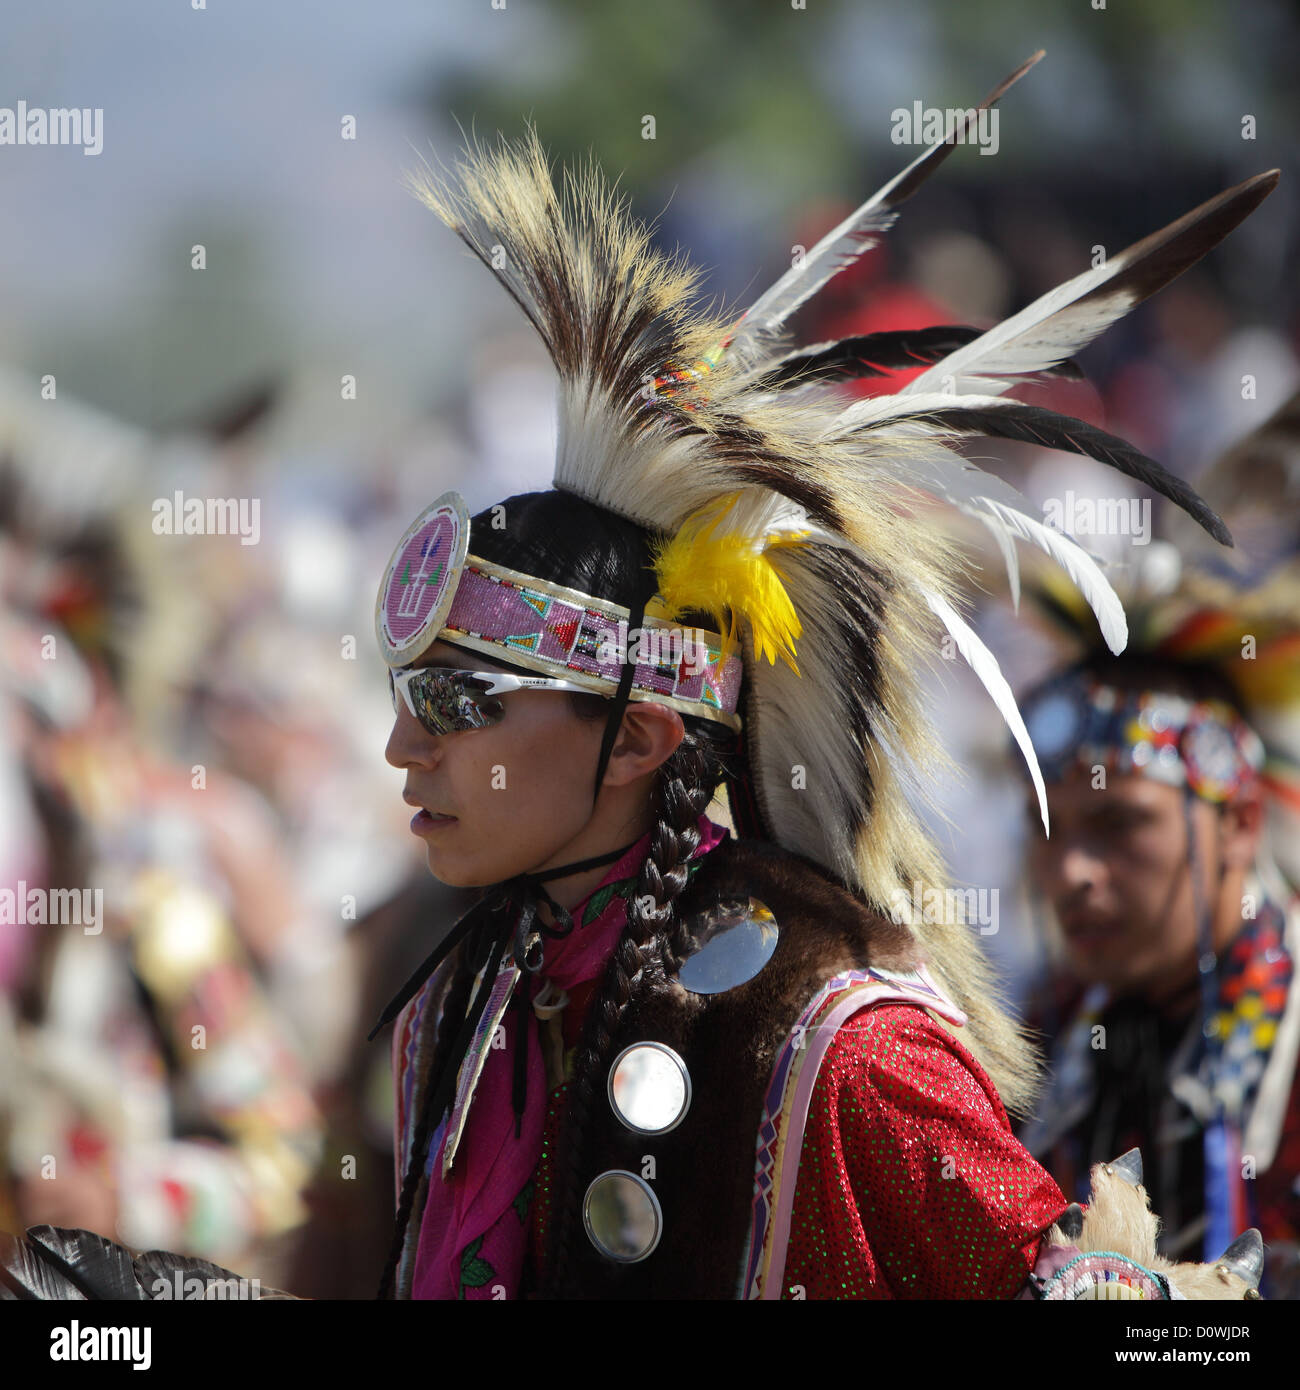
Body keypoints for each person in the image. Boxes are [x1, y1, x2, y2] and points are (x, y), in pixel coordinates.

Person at [0, 55, 1277, 1304]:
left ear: (636, 738)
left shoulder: (835, 1039)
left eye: (459, 706)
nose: (400, 748)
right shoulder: (470, 997)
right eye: (406, 697)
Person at [1015, 399, 1300, 1299]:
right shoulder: (1034, 1046)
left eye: (1121, 824)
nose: (1072, 875)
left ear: (1240, 823)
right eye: (1046, 831)